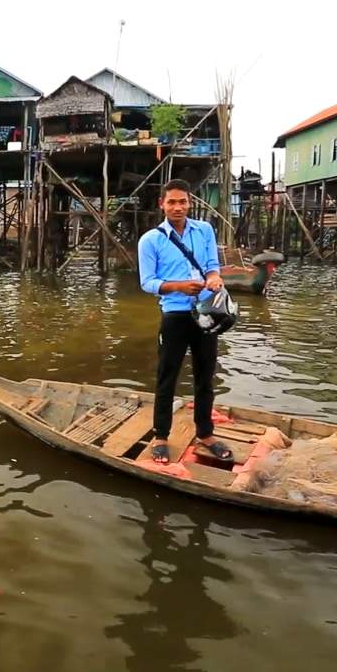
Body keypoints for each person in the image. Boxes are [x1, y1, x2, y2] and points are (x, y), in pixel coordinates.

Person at [136, 179, 231, 466]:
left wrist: (214, 278)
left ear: (190, 203)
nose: (178, 207)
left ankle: (206, 433)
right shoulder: (151, 240)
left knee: (206, 376)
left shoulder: (204, 231)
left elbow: (213, 266)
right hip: (175, 314)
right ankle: (161, 436)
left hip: (206, 312)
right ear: (161, 205)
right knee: (168, 376)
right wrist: (177, 286)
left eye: (183, 201)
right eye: (172, 202)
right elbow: (147, 282)